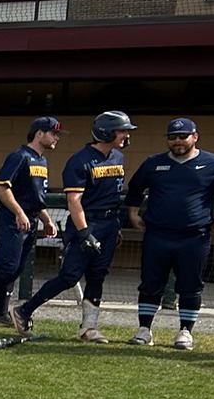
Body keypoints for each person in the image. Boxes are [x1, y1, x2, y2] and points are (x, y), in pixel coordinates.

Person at [10, 111, 135, 338]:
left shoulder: (118, 157)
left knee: (98, 275)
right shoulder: (80, 161)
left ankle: (89, 327)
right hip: (88, 222)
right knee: (69, 276)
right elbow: (74, 200)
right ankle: (23, 310)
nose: (126, 135)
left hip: (109, 223)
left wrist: (114, 227)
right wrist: (85, 232)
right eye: (122, 130)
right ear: (106, 132)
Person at [125, 117, 214, 350]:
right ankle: (144, 329)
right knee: (150, 284)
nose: (177, 141)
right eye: (172, 137)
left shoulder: (213, 163)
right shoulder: (153, 163)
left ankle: (185, 332)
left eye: (182, 136)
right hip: (157, 235)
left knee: (190, 285)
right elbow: (135, 188)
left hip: (194, 237)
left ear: (194, 137)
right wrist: (133, 213)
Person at [0, 117, 62, 329]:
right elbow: (1, 188)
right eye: (53, 133)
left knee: (16, 268)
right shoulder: (19, 156)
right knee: (7, 267)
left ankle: (1, 313)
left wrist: (46, 220)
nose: (56, 138)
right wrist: (19, 213)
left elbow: (36, 198)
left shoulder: (42, 161)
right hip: (13, 219)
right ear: (39, 133)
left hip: (31, 220)